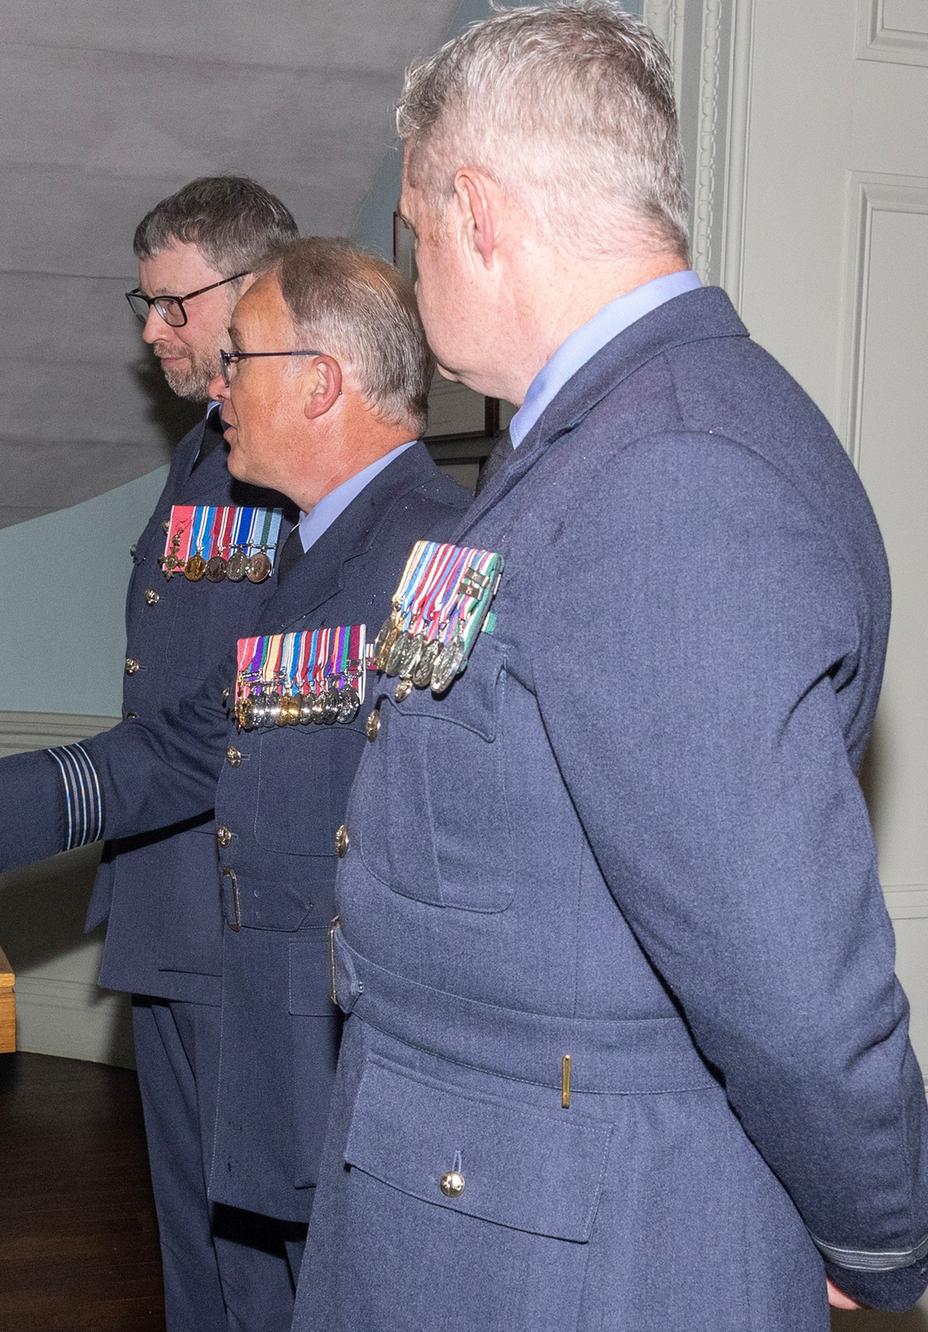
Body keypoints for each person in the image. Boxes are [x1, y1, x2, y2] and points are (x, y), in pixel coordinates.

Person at [288, 4, 928, 1328]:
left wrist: (877, 1235)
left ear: (475, 209)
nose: (416, 267)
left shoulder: (674, 476)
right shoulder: (593, 443)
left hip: (577, 1241)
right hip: (498, 1196)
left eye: (412, 228)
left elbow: (785, 966)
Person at [0, 238, 468, 1330]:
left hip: (353, 1041)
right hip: (276, 1015)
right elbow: (196, 741)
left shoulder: (432, 554)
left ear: (319, 380)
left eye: (237, 359)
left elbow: (455, 827)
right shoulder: (321, 548)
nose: (217, 389)